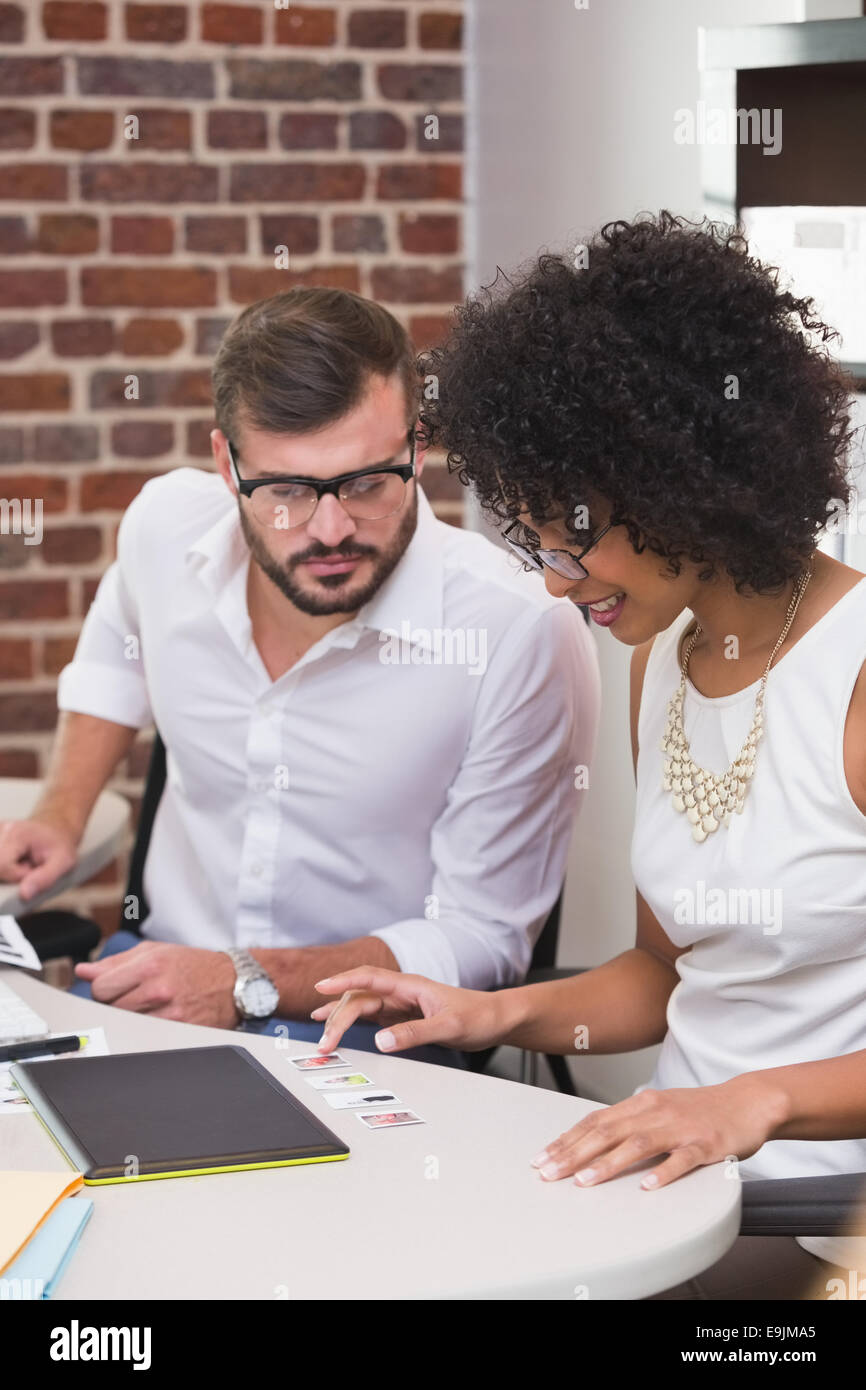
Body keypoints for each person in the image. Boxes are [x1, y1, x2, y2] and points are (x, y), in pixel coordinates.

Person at [308, 212, 866, 1295]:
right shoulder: (660, 652)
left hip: (820, 1223)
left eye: (573, 538)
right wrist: (485, 1012)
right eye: (532, 542)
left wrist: (751, 1100)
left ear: (681, 476)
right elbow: (665, 976)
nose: (556, 582)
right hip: (679, 1190)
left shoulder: (851, 674)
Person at [0, 287, 599, 1067]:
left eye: (366, 483)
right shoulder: (163, 528)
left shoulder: (520, 630)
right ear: (226, 463)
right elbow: (117, 658)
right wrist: (61, 814)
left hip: (371, 1034)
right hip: (162, 985)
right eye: (285, 491)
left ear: (417, 449)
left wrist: (244, 979)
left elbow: (482, 941)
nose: (330, 530)